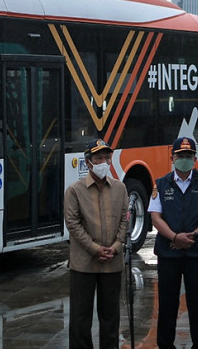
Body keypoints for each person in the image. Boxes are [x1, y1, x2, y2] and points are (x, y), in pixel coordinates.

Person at [149, 136, 198, 349]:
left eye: (189, 155)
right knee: (167, 304)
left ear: (195, 159)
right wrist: (174, 237)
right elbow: (155, 217)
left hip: (195, 252)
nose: (184, 159)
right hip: (168, 252)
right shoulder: (161, 184)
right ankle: (165, 345)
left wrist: (194, 237)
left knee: (197, 303)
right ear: (172, 158)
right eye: (180, 156)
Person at [64, 138, 130, 349]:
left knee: (110, 318)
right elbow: (73, 224)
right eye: (98, 158)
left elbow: (124, 219)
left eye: (106, 157)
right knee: (80, 319)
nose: (103, 162)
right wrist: (94, 249)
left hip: (113, 261)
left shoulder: (120, 188)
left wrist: (117, 246)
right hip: (84, 264)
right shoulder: (75, 190)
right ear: (88, 162)